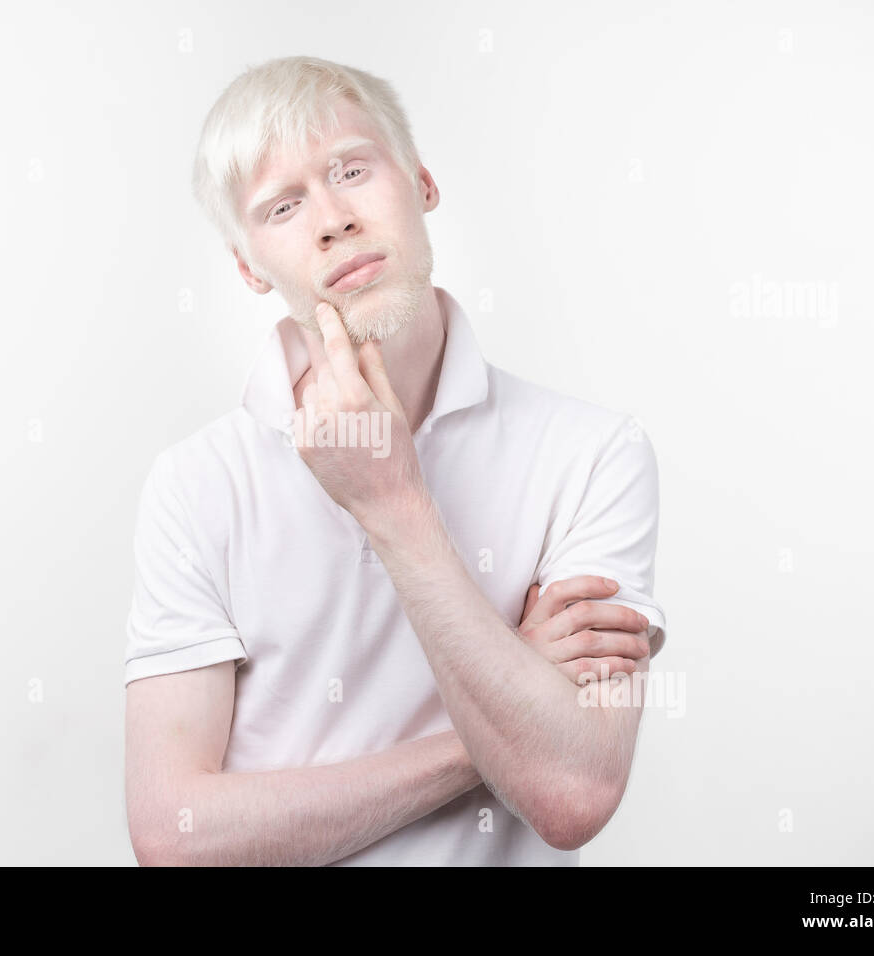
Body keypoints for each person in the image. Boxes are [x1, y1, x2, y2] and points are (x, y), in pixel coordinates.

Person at [124, 55, 667, 866]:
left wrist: (393, 502)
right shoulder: (194, 485)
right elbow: (173, 835)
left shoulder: (596, 456)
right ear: (247, 266)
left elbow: (576, 793)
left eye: (352, 168)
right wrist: (496, 721)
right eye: (282, 206)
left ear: (421, 183)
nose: (333, 218)